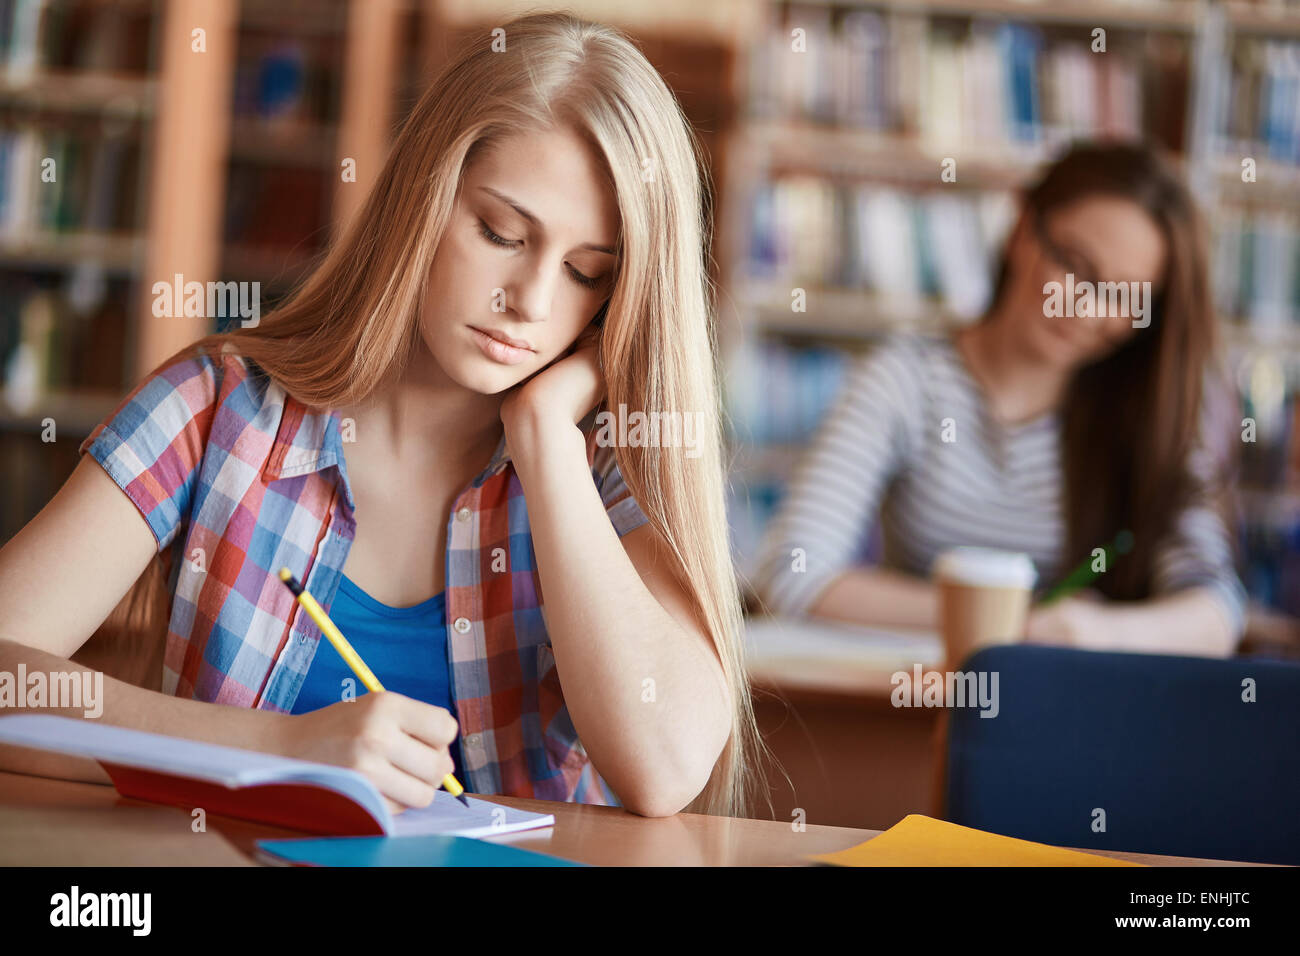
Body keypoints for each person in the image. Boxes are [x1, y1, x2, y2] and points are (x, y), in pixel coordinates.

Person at [0, 12, 764, 818]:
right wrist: (283, 753)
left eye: (585, 273)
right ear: (421, 201)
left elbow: (668, 769)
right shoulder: (214, 407)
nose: (531, 302)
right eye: (500, 233)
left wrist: (544, 439)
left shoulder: (609, 464)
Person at [754, 141, 1247, 657]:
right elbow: (791, 574)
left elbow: (1216, 614)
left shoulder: (1151, 413)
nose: (1086, 307)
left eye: (1125, 297)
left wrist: (1090, 631)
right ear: (1021, 228)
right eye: (1078, 267)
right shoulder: (907, 380)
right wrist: (1013, 621)